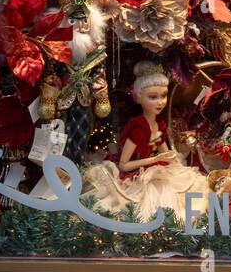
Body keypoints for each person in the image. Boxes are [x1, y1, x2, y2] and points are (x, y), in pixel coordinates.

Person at [80, 62, 208, 220]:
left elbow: (165, 152)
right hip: (134, 175)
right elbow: (124, 165)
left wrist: (175, 164)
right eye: (153, 97)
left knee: (186, 186)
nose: (160, 102)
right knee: (152, 200)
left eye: (163, 96)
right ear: (139, 97)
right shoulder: (139, 129)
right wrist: (155, 159)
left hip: (152, 169)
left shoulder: (158, 124)